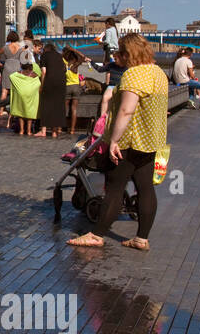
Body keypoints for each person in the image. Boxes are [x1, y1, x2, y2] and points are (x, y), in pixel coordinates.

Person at [68, 34, 169, 251]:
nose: (116, 56)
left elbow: (126, 110)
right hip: (150, 140)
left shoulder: (134, 74)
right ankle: (141, 238)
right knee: (145, 188)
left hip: (129, 141)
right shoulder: (158, 72)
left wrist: (113, 140)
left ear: (127, 54)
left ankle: (96, 235)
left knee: (115, 187)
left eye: (119, 53)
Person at [34, 42, 67, 139]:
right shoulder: (59, 56)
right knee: (57, 106)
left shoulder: (44, 55)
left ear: (46, 49)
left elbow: (44, 72)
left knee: (46, 104)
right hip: (61, 82)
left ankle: (43, 131)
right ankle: (54, 132)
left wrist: (42, 85)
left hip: (50, 81)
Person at [8, 61, 41, 134]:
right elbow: (38, 82)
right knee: (30, 112)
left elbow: (11, 76)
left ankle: (21, 130)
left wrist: (19, 72)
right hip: (31, 95)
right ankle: (29, 131)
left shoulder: (19, 74)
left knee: (20, 112)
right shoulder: (33, 75)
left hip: (20, 95)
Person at [171, 46, 200, 111]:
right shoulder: (188, 61)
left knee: (192, 86)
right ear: (191, 54)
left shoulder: (178, 60)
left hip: (177, 81)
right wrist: (195, 78)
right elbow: (191, 74)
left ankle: (190, 100)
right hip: (185, 81)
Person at [62, 47, 88, 134]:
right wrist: (73, 49)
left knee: (64, 109)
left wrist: (68, 50)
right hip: (76, 87)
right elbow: (83, 57)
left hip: (67, 87)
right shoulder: (75, 64)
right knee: (74, 109)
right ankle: (72, 130)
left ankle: (60, 128)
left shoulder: (64, 63)